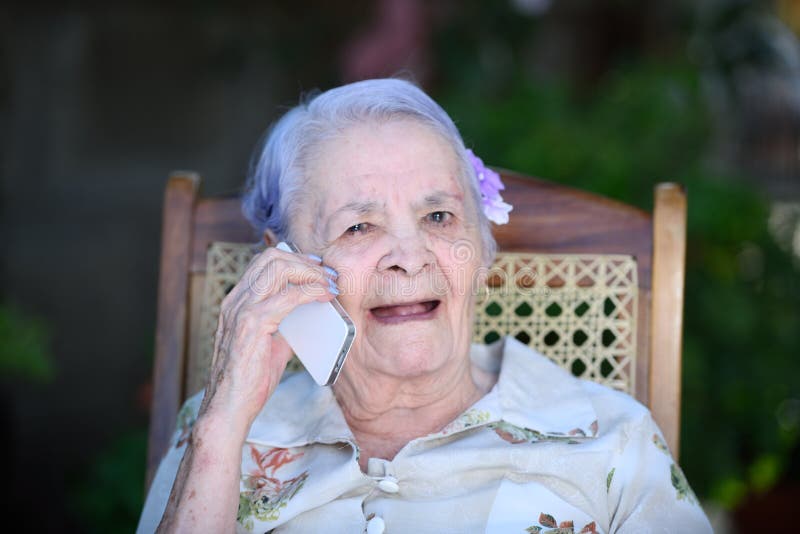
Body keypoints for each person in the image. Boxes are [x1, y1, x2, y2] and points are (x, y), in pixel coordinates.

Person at [137, 78, 712, 533]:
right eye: (359, 226)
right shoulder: (221, 431)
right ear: (279, 268)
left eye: (439, 217)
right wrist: (223, 420)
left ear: (484, 248)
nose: (410, 259)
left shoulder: (611, 438)